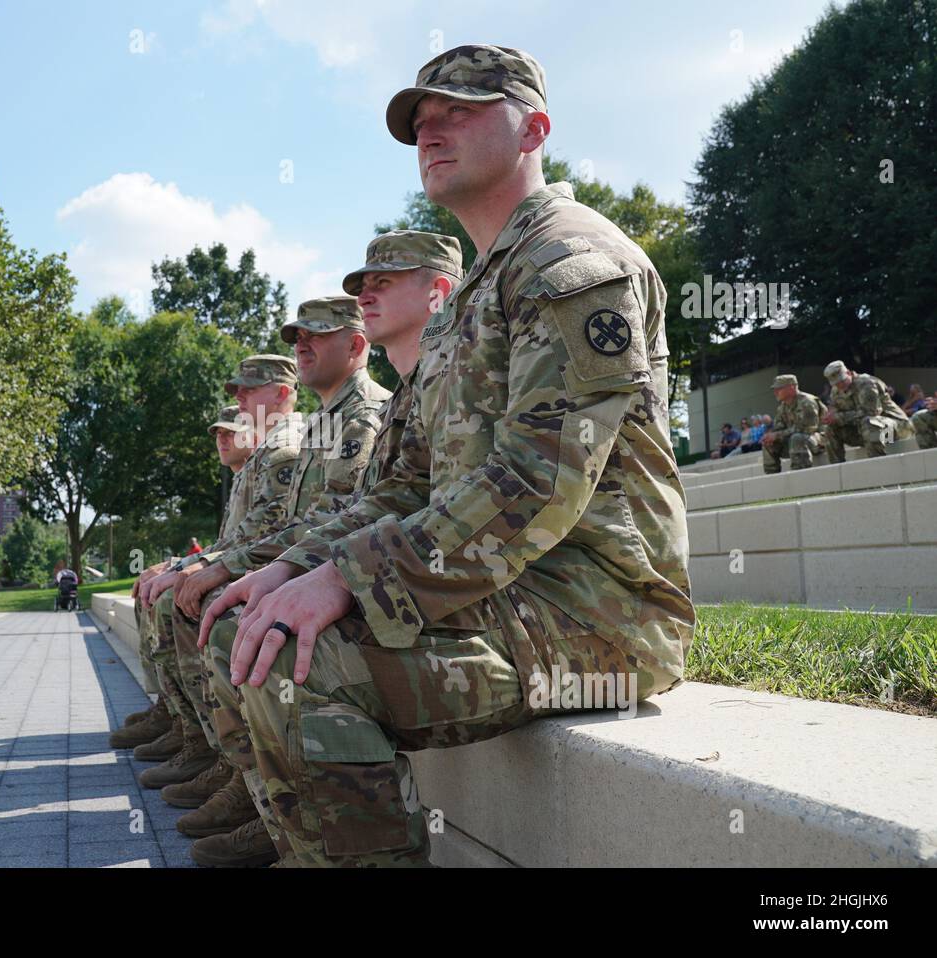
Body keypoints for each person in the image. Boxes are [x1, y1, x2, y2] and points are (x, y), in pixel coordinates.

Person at [198, 44, 693, 867]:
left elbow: (540, 483)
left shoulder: (569, 263)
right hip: (503, 589)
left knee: (294, 664)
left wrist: (351, 578)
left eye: (459, 112)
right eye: (422, 123)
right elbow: (405, 485)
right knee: (250, 626)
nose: (431, 132)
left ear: (534, 128)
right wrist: (292, 568)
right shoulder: (473, 297)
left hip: (598, 614)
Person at [175, 240, 461, 866]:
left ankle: (291, 828)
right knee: (242, 621)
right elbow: (361, 510)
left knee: (270, 643)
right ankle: (281, 822)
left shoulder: (377, 412)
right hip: (393, 566)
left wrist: (318, 574)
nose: (303, 345)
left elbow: (395, 511)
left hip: (452, 586)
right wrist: (276, 567)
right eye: (299, 337)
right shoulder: (392, 405)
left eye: (318, 335)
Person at [130, 356, 303, 782]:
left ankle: (230, 767)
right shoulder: (266, 451)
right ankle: (188, 728)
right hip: (269, 569)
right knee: (165, 589)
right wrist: (186, 564)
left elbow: (267, 536)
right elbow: (238, 538)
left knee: (186, 601)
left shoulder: (284, 448)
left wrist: (199, 567)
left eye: (248, 390)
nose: (238, 398)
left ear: (282, 393)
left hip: (286, 578)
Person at [110, 398, 261, 752]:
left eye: (231, 433)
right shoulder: (241, 478)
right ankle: (173, 711)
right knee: (149, 585)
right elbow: (228, 541)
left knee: (173, 599)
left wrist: (184, 569)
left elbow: (256, 539)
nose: (222, 440)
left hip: (256, 573)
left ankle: (202, 739)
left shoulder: (270, 466)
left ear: (251, 435)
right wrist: (175, 564)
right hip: (239, 563)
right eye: (218, 435)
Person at [821, 360, 915, 460]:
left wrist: (839, 417)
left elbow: (870, 412)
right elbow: (836, 410)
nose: (840, 385)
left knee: (870, 422)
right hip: (867, 433)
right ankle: (837, 470)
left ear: (848, 373)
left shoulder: (866, 383)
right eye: (836, 384)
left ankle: (877, 465)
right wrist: (830, 417)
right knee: (830, 429)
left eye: (842, 381)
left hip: (897, 430)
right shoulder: (836, 391)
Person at [762, 374, 826, 473]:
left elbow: (806, 429)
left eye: (779, 389)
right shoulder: (783, 407)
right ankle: (771, 475)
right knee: (768, 443)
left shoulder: (807, 402)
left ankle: (800, 473)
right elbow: (779, 427)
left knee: (797, 438)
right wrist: (771, 436)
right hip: (797, 440)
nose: (775, 392)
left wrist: (777, 435)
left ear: (791, 388)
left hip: (819, 439)